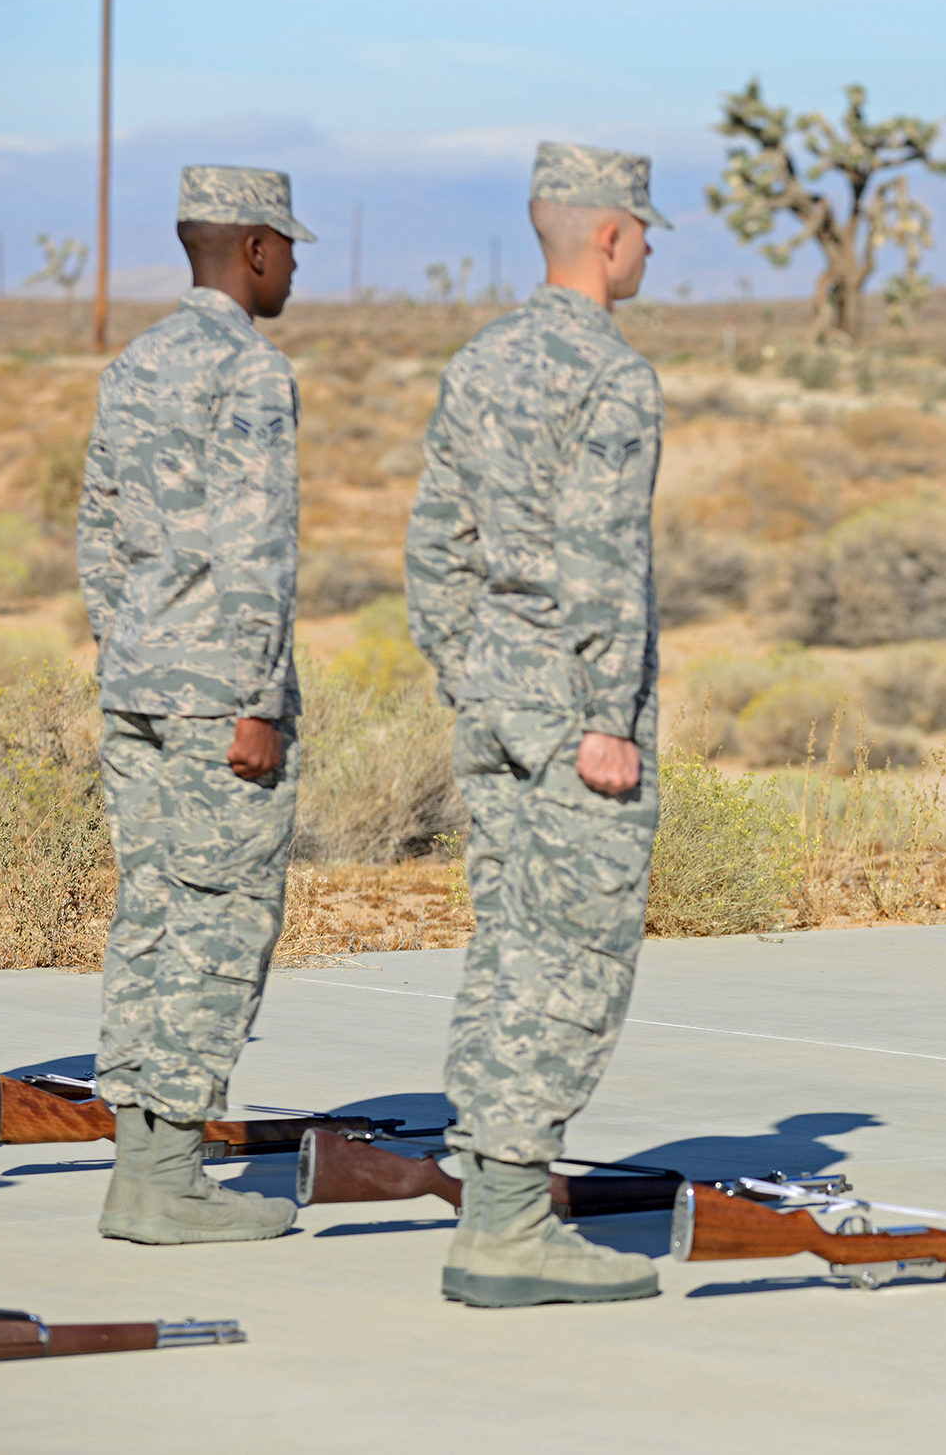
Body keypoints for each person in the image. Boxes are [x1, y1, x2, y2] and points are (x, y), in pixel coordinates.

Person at [406, 141, 669, 1307]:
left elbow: (434, 548)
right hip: (573, 708)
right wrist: (605, 714)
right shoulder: (610, 374)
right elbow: (602, 557)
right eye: (646, 229)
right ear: (608, 236)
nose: (649, 248)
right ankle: (509, 1221)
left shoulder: (483, 362)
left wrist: (472, 677)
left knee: (508, 938)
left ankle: (491, 1182)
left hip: (500, 699)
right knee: (569, 951)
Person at [76, 166, 313, 1242]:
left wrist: (123, 651)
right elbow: (256, 546)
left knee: (153, 911)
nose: (295, 268)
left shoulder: (133, 365)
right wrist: (258, 693)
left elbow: (97, 531)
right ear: (255, 250)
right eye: (289, 249)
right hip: (222, 697)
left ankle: (140, 1155)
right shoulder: (247, 370)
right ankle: (165, 1177)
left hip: (138, 682)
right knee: (218, 920)